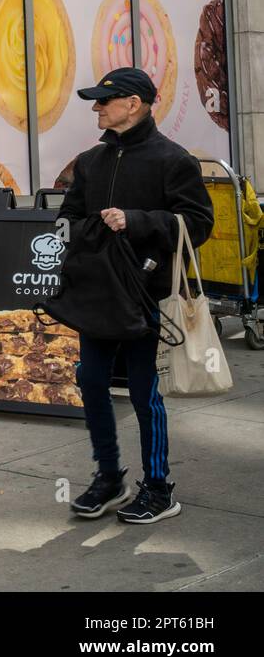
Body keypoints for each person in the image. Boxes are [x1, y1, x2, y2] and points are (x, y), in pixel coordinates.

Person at [57, 67, 213, 524]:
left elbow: (199, 225)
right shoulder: (90, 161)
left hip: (149, 298)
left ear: (135, 104)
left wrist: (136, 220)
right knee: (90, 381)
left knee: (145, 394)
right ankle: (110, 477)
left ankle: (159, 488)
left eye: (105, 101)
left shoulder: (174, 160)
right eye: (96, 101)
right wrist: (83, 232)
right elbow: (68, 218)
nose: (96, 108)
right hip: (98, 297)